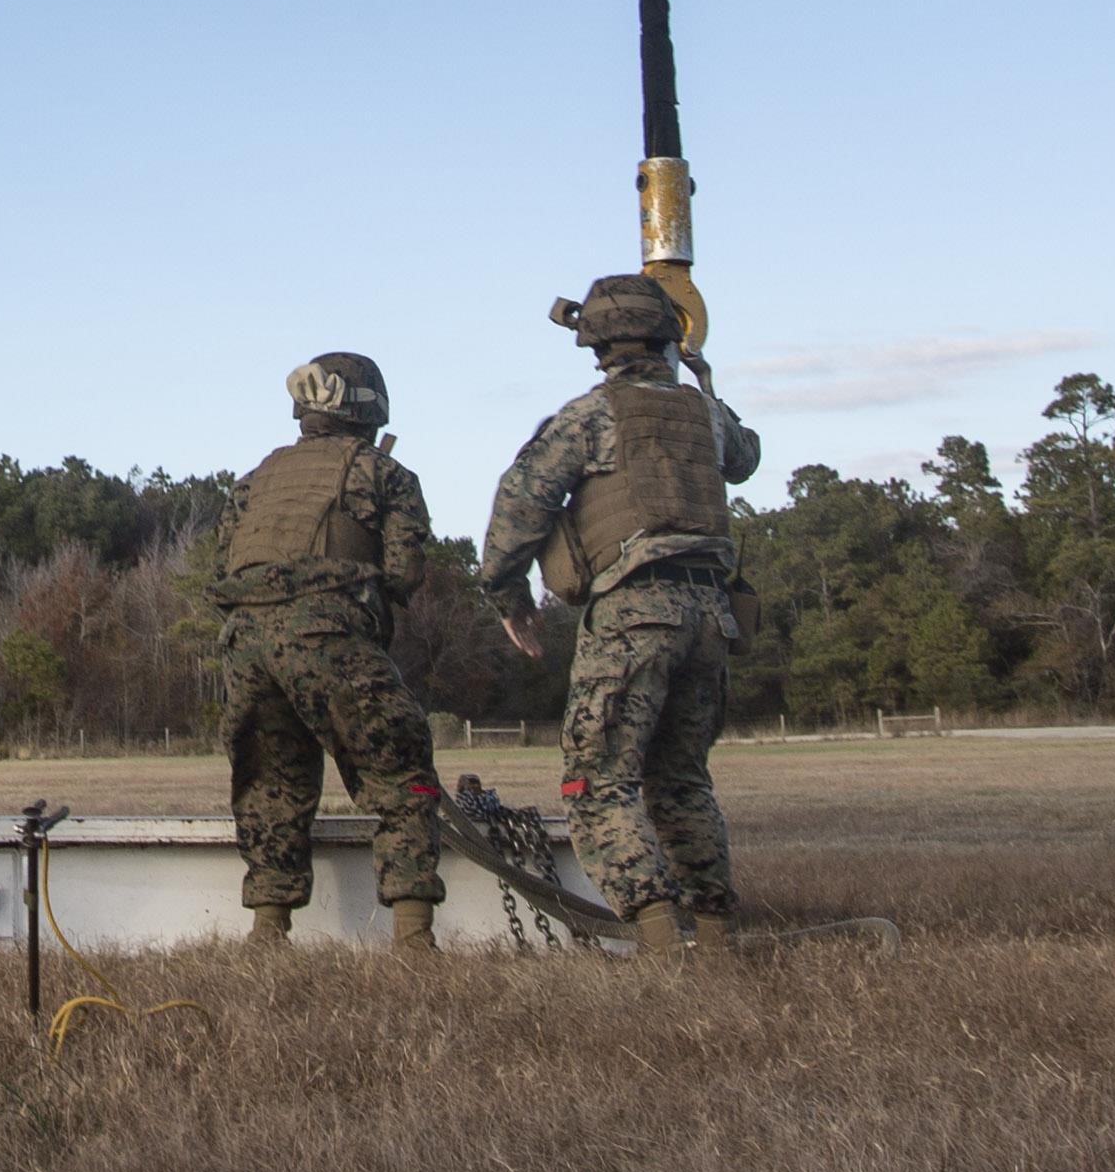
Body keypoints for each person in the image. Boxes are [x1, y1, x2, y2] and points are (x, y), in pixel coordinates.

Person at [481, 273, 765, 956]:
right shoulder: (707, 416)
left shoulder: (588, 417)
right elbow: (746, 458)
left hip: (634, 613)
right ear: (669, 334)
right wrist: (701, 378)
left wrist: (508, 596)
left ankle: (658, 933)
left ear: (596, 345)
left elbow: (521, 502)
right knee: (681, 779)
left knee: (597, 779)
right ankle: (715, 935)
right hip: (711, 614)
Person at [208, 350, 453, 952]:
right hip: (328, 633)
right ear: (371, 410)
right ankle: (414, 937)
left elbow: (222, 568)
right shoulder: (384, 473)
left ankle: (268, 931)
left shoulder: (257, 478)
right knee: (399, 770)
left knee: (269, 782)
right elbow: (404, 573)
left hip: (245, 641)